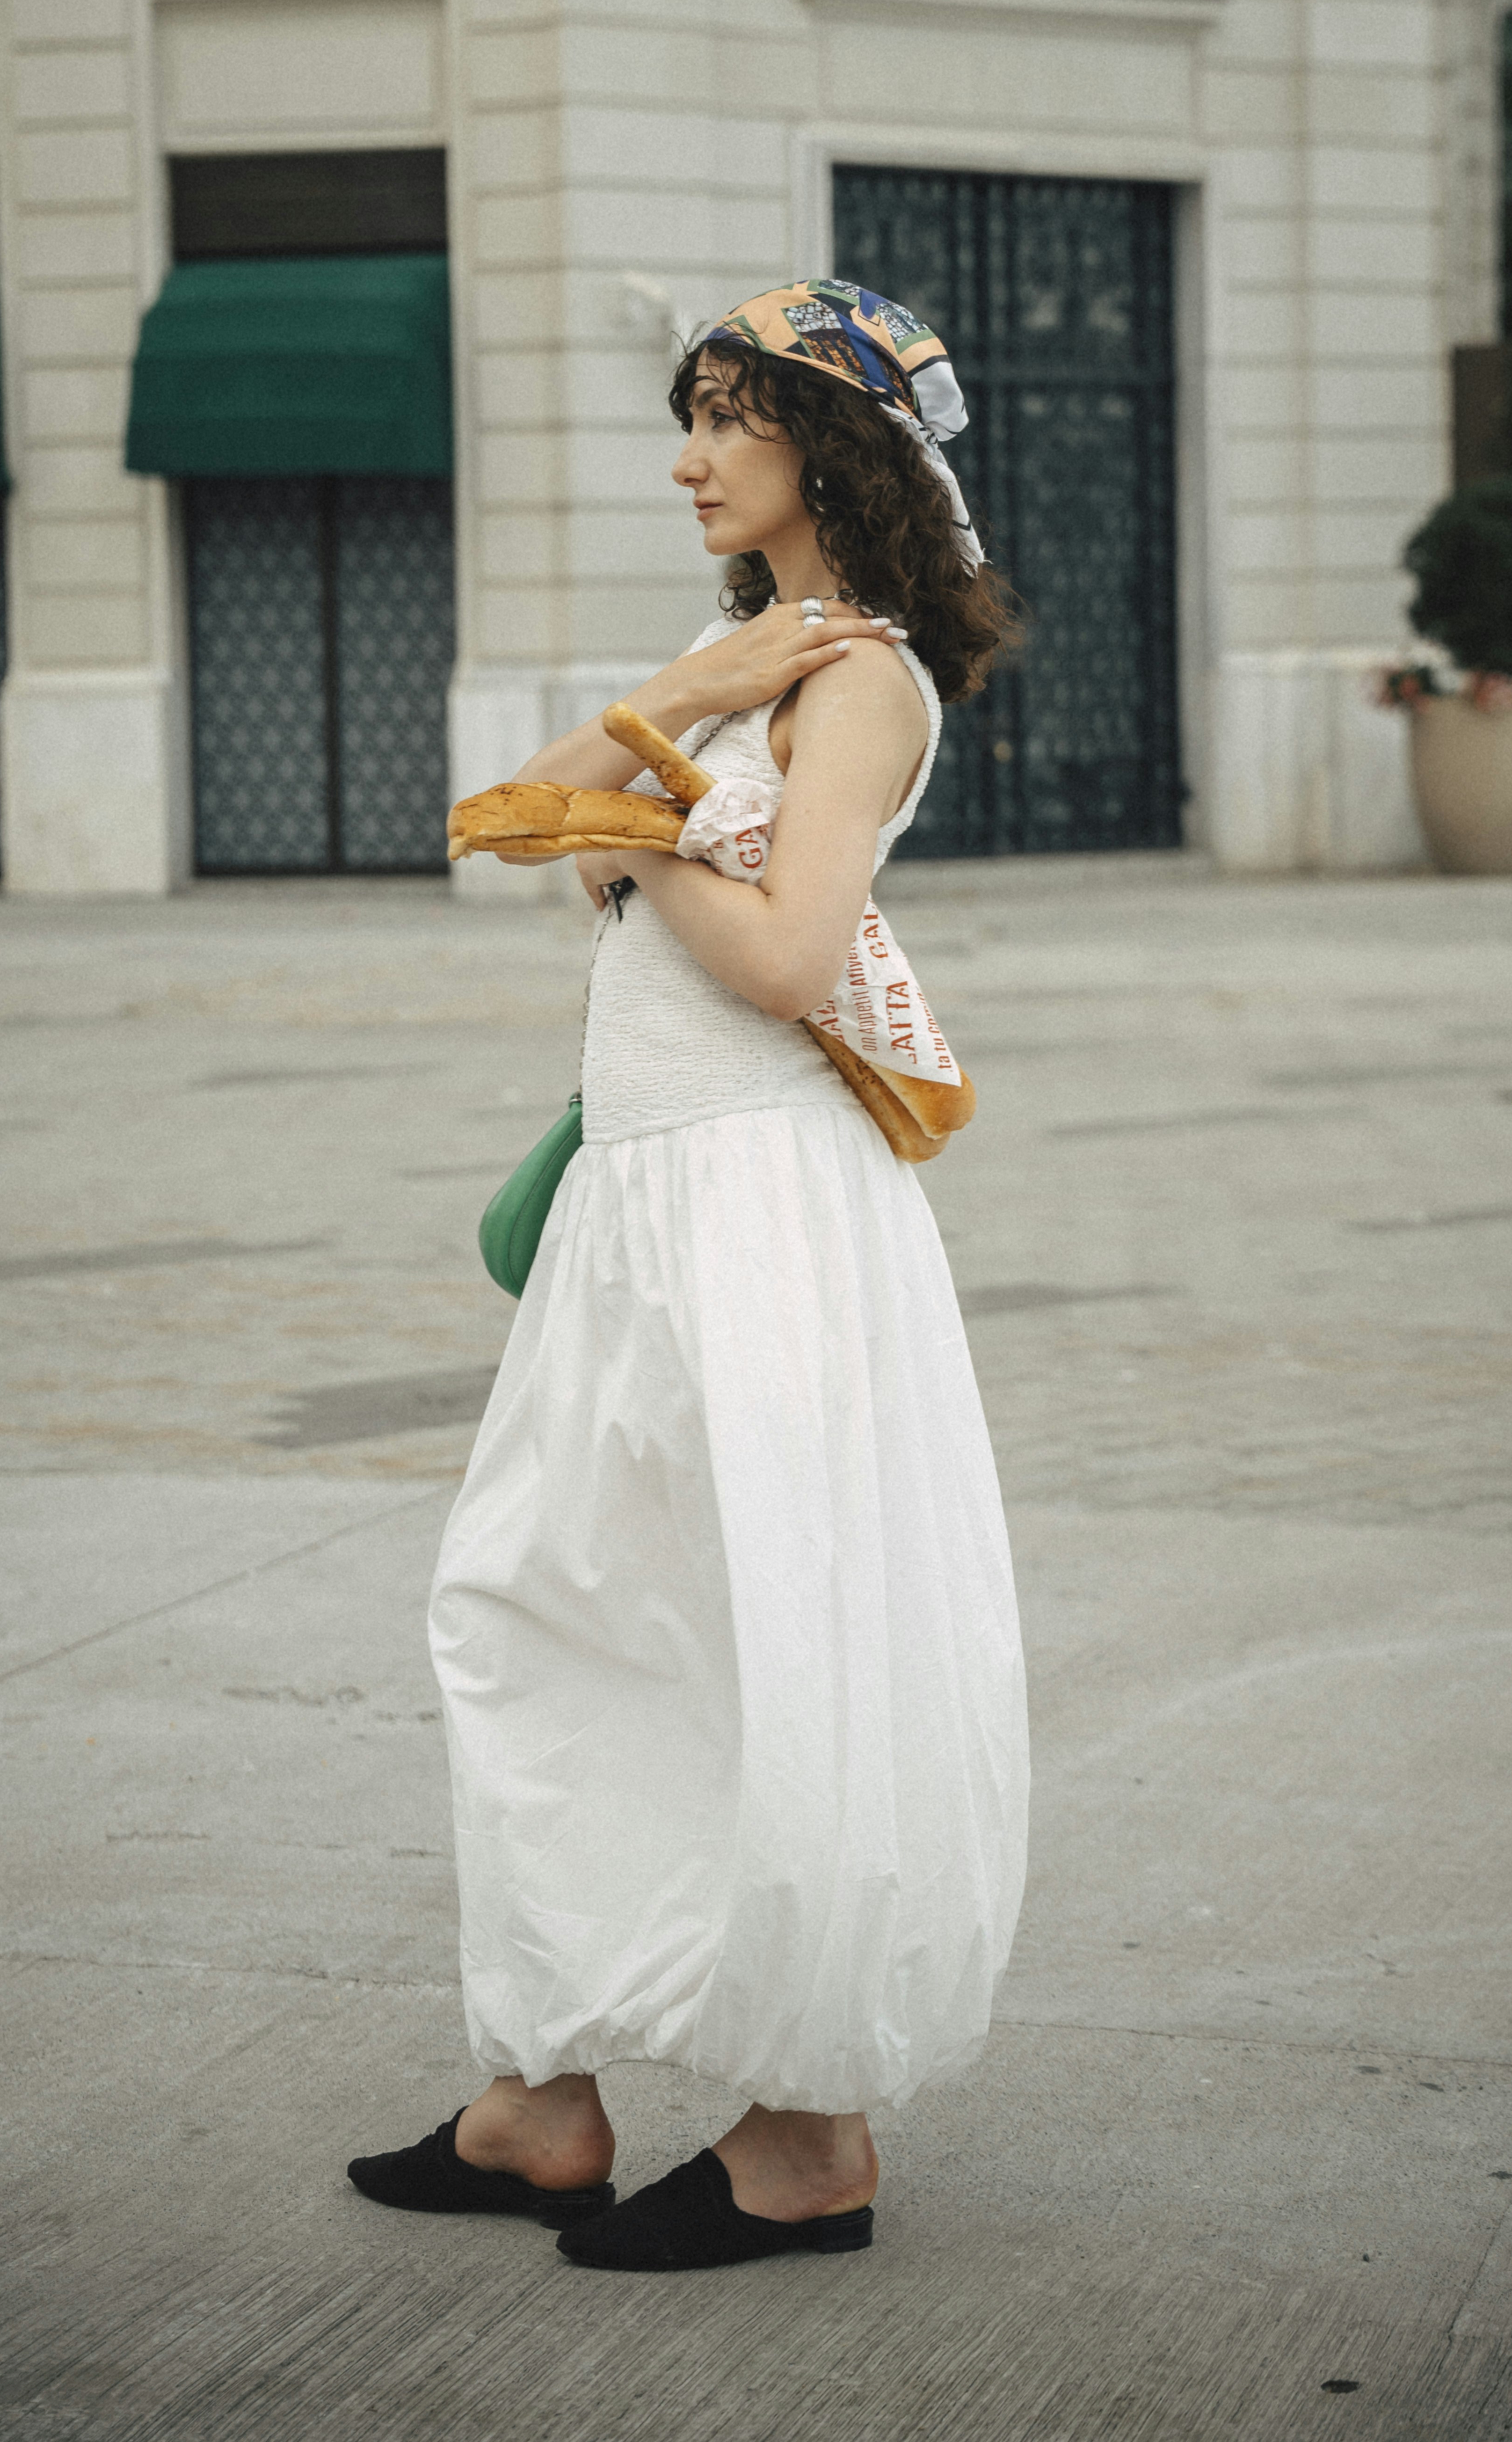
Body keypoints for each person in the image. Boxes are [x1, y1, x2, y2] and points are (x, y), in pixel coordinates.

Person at [349, 282, 1031, 2274]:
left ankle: (806, 2140)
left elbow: (788, 957)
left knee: (761, 1646)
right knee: (540, 1604)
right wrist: (694, 687)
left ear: (832, 450)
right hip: (644, 1204)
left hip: (761, 1211)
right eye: (691, 415)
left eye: (722, 418)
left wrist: (642, 819)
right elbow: (524, 823)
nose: (687, 454)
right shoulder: (757, 662)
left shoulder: (870, 685)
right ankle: (539, 2094)